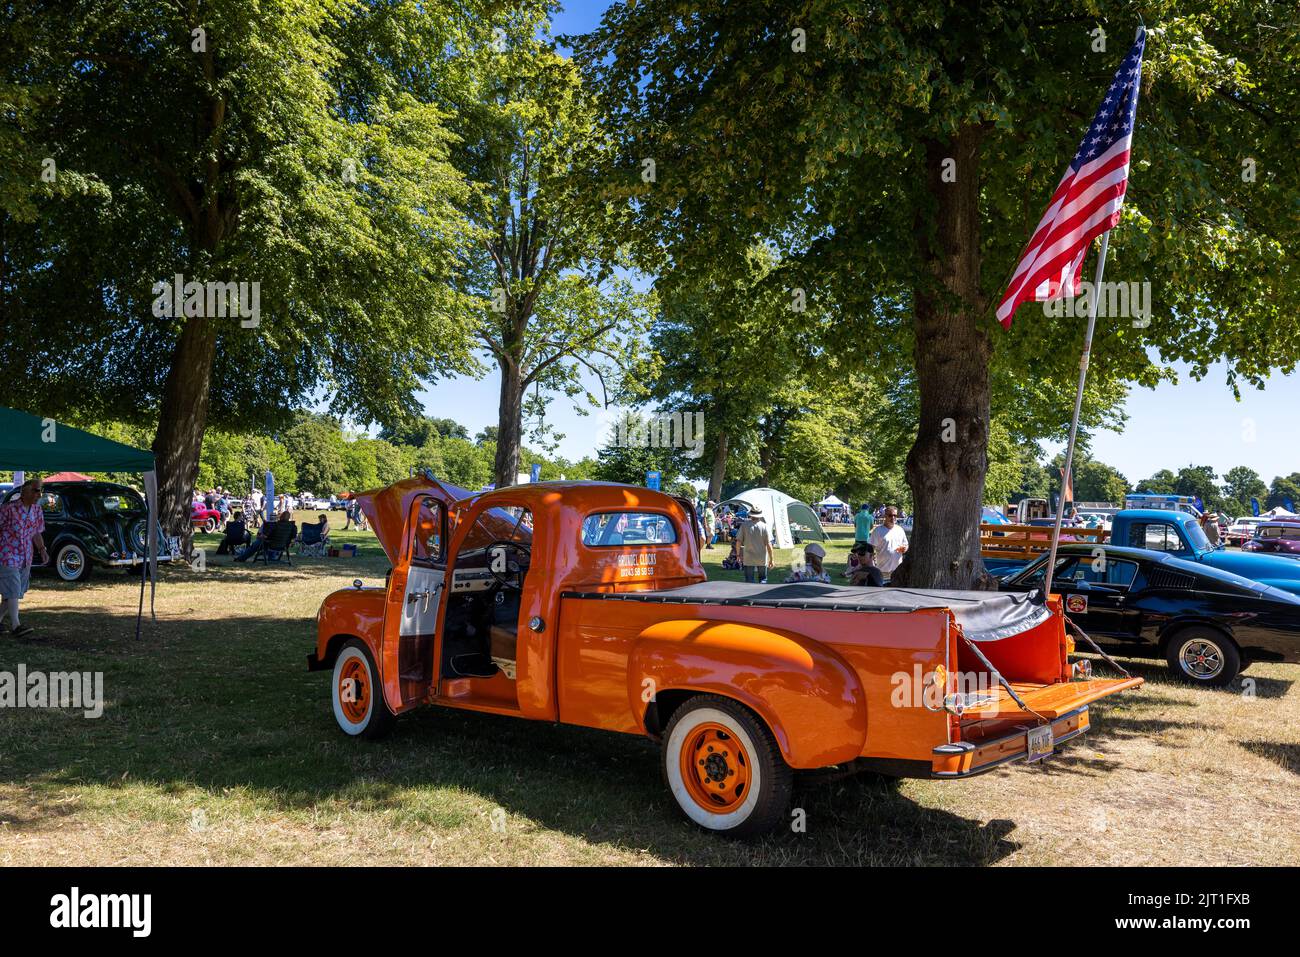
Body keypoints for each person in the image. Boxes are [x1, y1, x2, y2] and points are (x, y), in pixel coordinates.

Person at [0, 478, 49, 639]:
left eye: (40, 490)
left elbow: (36, 532)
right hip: (7, 554)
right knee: (13, 589)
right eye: (36, 490)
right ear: (25, 491)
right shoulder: (8, 509)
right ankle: (16, 626)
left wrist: (42, 550)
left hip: (25, 556)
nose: (38, 494)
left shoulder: (37, 510)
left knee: (14, 593)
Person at [868, 506, 908, 581]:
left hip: (897, 570)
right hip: (882, 570)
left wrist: (905, 548)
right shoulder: (878, 531)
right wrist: (872, 563)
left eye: (895, 515)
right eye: (890, 515)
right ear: (885, 516)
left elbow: (906, 544)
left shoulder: (900, 530)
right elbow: (871, 548)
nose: (893, 517)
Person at [736, 506, 774, 584]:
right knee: (763, 579)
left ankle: (750, 595)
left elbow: (738, 541)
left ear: (751, 514)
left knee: (749, 580)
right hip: (762, 557)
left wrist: (738, 554)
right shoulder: (765, 526)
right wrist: (771, 559)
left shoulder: (744, 525)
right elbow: (769, 544)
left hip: (748, 557)